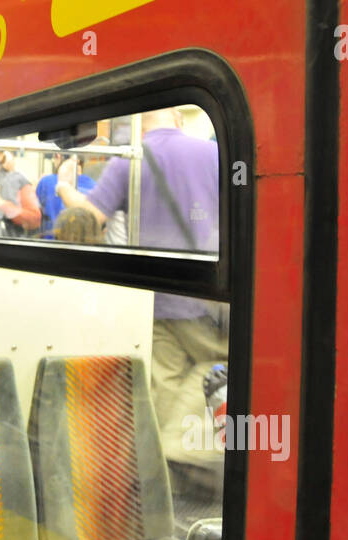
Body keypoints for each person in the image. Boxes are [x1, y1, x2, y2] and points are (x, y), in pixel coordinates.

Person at [56, 107, 224, 500]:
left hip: (153, 301)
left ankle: (168, 481)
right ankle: (185, 456)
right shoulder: (213, 155)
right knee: (213, 361)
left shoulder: (127, 161)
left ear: (138, 125)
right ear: (178, 121)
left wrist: (65, 189)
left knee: (164, 381)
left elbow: (85, 223)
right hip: (207, 296)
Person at [37, 152, 94, 236]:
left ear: (58, 156)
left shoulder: (46, 181)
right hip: (84, 243)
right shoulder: (94, 185)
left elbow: (36, 213)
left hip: (50, 242)